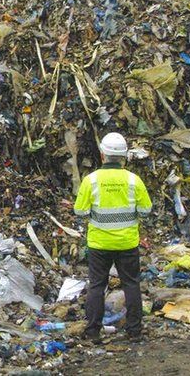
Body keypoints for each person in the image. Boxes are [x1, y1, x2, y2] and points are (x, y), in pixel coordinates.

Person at [73, 132, 152, 342]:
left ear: (102, 154)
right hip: (127, 242)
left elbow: (79, 212)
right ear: (124, 156)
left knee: (97, 285)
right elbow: (146, 210)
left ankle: (92, 332)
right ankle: (134, 332)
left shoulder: (92, 180)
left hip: (100, 243)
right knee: (131, 284)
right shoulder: (134, 180)